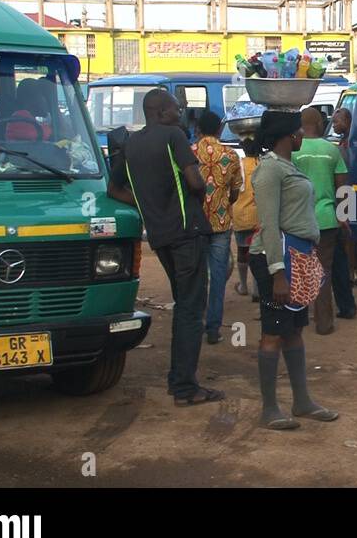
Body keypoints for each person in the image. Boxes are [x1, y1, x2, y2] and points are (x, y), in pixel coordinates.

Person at [107, 89, 222, 407]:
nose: (180, 113)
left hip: (161, 236)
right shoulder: (173, 135)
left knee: (183, 303)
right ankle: (184, 386)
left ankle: (181, 381)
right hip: (188, 232)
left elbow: (114, 188)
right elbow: (196, 182)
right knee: (190, 309)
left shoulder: (130, 145)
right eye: (175, 108)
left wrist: (146, 204)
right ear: (160, 112)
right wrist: (197, 194)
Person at [250, 110, 339, 430]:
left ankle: (302, 401)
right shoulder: (270, 171)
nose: (303, 135)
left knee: (294, 330)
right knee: (273, 333)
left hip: (297, 255)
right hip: (278, 259)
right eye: (299, 131)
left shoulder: (287, 166)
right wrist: (277, 273)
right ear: (288, 136)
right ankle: (270, 409)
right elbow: (269, 226)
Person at [292, 107, 355, 335]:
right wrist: (343, 217)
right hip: (327, 221)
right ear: (320, 125)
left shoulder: (292, 150)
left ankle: (296, 321)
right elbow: (343, 188)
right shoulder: (332, 150)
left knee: (298, 270)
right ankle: (324, 322)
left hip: (297, 221)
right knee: (323, 272)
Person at [192, 110, 242, 345]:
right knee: (219, 274)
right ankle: (213, 328)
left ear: (198, 130)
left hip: (195, 224)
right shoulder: (230, 155)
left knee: (196, 274)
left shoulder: (189, 153)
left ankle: (194, 323)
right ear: (220, 130)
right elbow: (235, 191)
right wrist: (222, 204)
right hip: (221, 224)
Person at [331, 107, 357, 288]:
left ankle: (348, 275)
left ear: (348, 121)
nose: (334, 125)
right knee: (350, 234)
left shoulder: (351, 143)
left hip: (348, 192)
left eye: (337, 121)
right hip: (349, 191)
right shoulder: (345, 141)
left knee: (346, 236)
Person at [232, 135, 262, 302]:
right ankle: (257, 290)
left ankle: (243, 286)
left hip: (241, 215)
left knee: (243, 252)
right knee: (258, 253)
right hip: (259, 216)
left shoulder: (239, 165)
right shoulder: (263, 164)